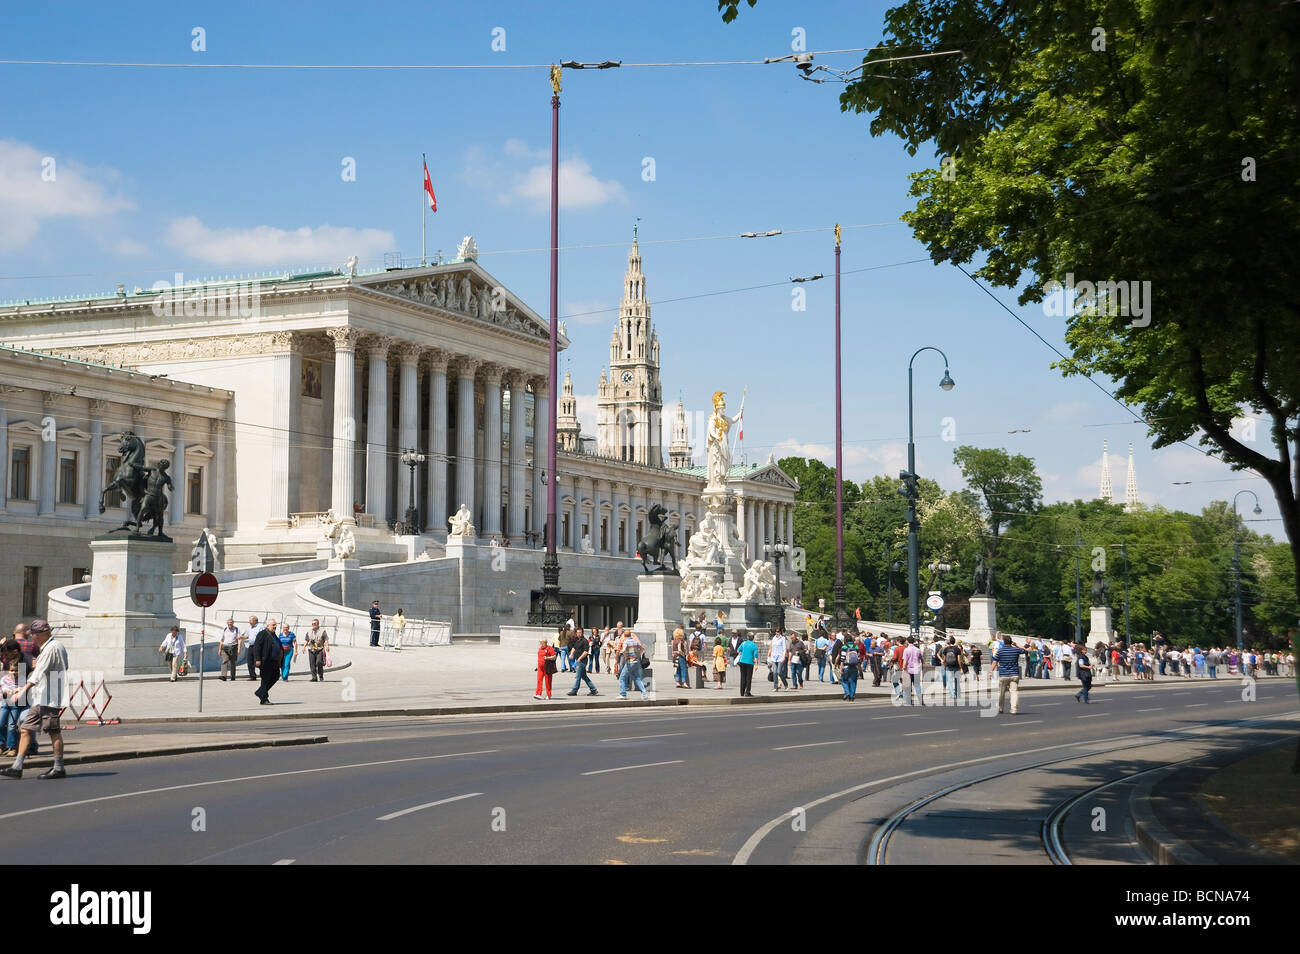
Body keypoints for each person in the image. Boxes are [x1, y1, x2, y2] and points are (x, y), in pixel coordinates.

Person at [1, 620, 68, 779]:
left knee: (53, 732)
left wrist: (22, 690)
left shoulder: (52, 648)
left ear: (38, 635)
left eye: (34, 635)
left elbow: (39, 674)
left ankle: (59, 768)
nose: (33, 639)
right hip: (40, 697)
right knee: (25, 728)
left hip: (49, 699)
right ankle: (17, 767)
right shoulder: (51, 647)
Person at [0, 654, 27, 757]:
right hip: (5, 704)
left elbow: (21, 689)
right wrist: (9, 691)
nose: (14, 673)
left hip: (15, 705)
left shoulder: (22, 679)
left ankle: (12, 747)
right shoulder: (4, 679)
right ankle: (2, 745)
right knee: (1, 723)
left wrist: (15, 691)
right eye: (12, 670)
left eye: (16, 670)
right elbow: (3, 690)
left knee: (12, 726)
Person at [252, 620, 283, 705]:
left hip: (274, 661)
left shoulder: (273, 635)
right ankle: (264, 699)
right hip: (266, 661)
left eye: (275, 625)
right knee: (265, 679)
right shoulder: (262, 634)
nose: (275, 626)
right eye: (273, 625)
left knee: (276, 675)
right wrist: (257, 659)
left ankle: (260, 692)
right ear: (268, 626)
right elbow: (257, 647)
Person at [992, 636, 1026, 715]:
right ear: (1011, 642)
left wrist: (991, 671)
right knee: (1014, 692)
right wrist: (1016, 644)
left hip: (1003, 675)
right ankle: (1014, 709)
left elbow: (995, 662)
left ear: (1004, 642)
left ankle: (1000, 708)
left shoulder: (1000, 651)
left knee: (1001, 693)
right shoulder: (1016, 650)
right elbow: (1025, 650)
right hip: (1014, 675)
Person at [565, 628, 599, 697]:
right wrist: (571, 654)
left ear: (582, 633)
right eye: (577, 632)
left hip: (582, 661)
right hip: (578, 660)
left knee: (578, 676)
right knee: (584, 677)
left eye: (580, 632)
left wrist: (580, 658)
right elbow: (574, 648)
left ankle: (574, 690)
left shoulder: (585, 641)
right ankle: (593, 689)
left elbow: (586, 652)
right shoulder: (577, 641)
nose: (578, 634)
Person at [616, 630, 649, 701]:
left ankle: (623, 694)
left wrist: (626, 657)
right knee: (637, 678)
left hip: (629, 662)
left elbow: (624, 650)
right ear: (630, 635)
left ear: (624, 635)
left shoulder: (626, 642)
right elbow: (642, 649)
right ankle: (644, 694)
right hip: (636, 662)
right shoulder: (635, 641)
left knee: (622, 677)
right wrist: (637, 655)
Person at [735, 630, 757, 697]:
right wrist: (756, 665)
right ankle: (747, 692)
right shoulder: (754, 645)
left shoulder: (744, 643)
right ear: (753, 638)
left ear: (747, 637)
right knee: (748, 678)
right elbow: (755, 656)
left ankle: (741, 692)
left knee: (743, 677)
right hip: (750, 663)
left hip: (742, 662)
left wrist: (742, 653)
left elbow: (738, 651)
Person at [903, 637, 924, 705]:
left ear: (907, 641)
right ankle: (920, 700)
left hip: (908, 670)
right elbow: (921, 659)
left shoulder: (906, 650)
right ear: (914, 641)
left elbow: (905, 661)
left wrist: (904, 668)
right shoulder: (918, 650)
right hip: (916, 670)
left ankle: (909, 701)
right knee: (917, 685)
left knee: (908, 686)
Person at [244, 616, 263, 680]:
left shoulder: (260, 627)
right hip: (251, 646)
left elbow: (264, 636)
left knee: (258, 661)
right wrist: (240, 637)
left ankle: (264, 674)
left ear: (255, 620)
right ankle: (252, 676)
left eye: (250, 620)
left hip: (258, 646)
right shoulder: (250, 628)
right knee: (250, 661)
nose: (249, 622)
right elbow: (246, 636)